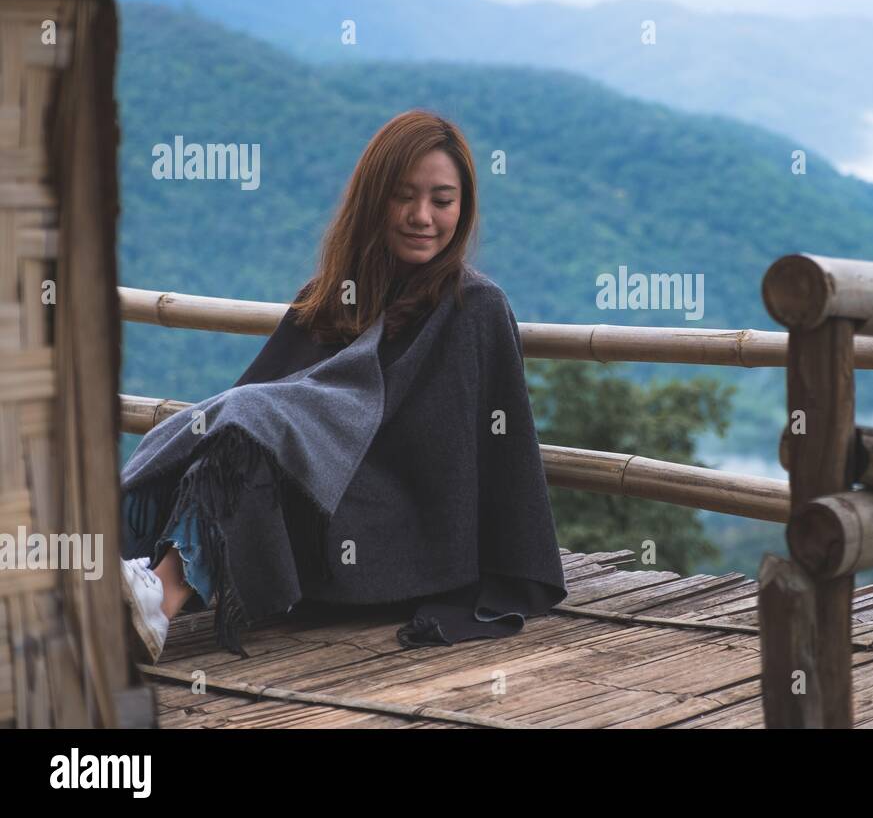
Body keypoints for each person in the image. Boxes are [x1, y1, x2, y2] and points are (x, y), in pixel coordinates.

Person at [119, 109, 560, 660]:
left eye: (442, 201)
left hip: (396, 536)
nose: (423, 216)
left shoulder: (475, 307)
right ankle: (102, 584)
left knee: (250, 442)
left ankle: (156, 602)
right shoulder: (333, 294)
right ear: (375, 198)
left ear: (462, 209)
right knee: (219, 437)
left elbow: (500, 456)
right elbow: (275, 394)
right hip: (318, 506)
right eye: (405, 196)